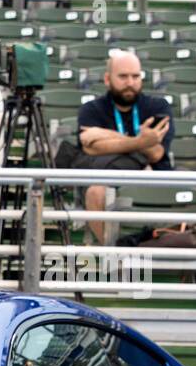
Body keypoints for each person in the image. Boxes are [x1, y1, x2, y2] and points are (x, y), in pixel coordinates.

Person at [73, 51, 175, 242]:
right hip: (108, 179)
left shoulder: (157, 107)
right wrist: (141, 141)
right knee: (96, 191)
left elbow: (156, 153)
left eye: (135, 76)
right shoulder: (91, 110)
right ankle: (113, 257)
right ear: (107, 78)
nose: (130, 82)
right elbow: (91, 148)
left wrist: (107, 136)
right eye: (123, 76)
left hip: (155, 178)